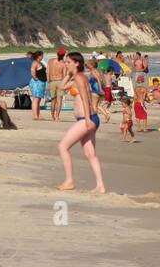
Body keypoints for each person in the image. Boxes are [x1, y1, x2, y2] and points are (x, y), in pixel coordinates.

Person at [57, 52, 106, 192]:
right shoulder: (78, 77)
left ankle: (69, 181)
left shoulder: (80, 77)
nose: (66, 64)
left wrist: (88, 120)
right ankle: (100, 186)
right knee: (90, 153)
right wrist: (68, 73)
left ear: (77, 63)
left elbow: (85, 98)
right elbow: (62, 87)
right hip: (89, 118)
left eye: (68, 62)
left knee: (62, 147)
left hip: (86, 118)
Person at [47, 49, 68, 122]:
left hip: (52, 81)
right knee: (59, 101)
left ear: (57, 53)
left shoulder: (50, 61)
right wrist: (66, 86)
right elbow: (65, 75)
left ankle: (52, 117)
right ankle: (57, 117)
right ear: (64, 55)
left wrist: (48, 83)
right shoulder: (64, 63)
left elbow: (48, 73)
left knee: (53, 100)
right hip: (60, 81)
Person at [29, 51, 47, 121]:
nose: (43, 57)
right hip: (37, 82)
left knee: (38, 99)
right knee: (36, 99)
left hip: (41, 82)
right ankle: (35, 116)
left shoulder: (40, 63)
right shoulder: (35, 62)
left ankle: (38, 115)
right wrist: (35, 77)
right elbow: (32, 70)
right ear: (39, 56)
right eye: (42, 55)